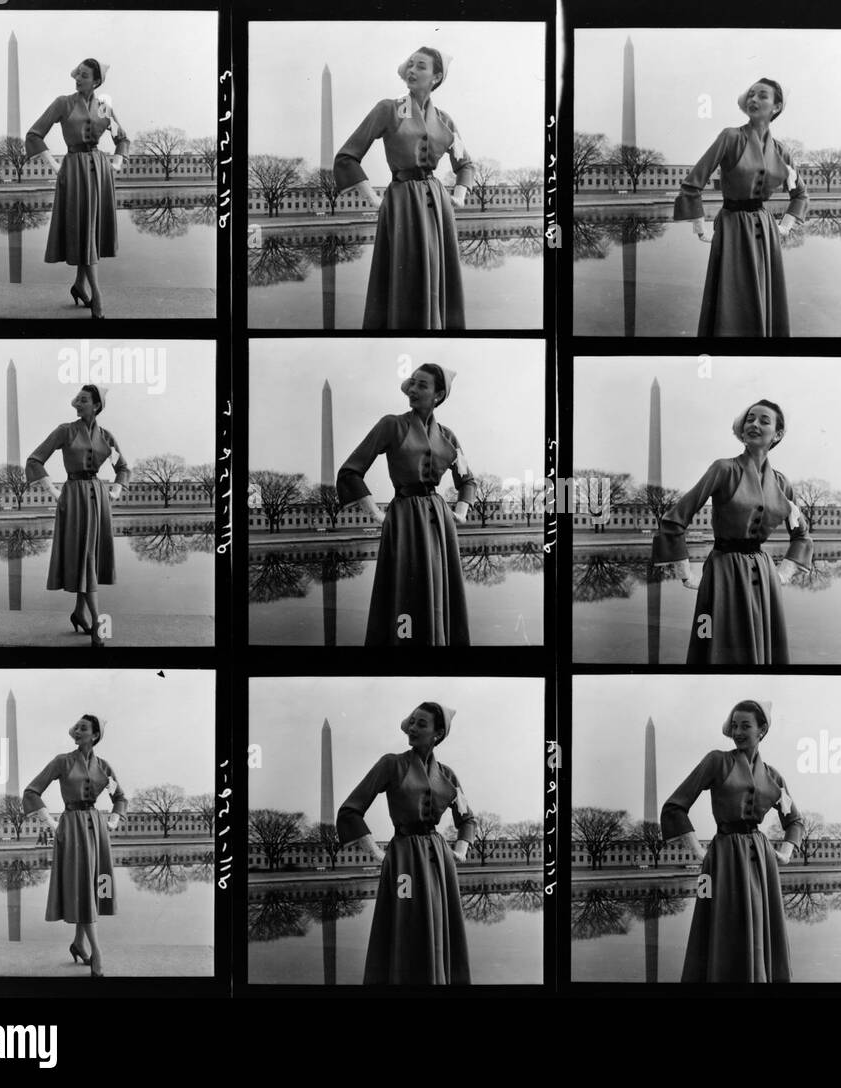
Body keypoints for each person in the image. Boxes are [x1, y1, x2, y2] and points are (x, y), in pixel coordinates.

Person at [652, 399, 812, 663]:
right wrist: (685, 571)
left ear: (778, 434)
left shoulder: (782, 482)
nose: (754, 424)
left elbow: (802, 535)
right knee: (717, 646)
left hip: (764, 575)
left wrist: (783, 573)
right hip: (722, 572)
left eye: (764, 420)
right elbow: (674, 520)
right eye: (750, 418)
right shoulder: (723, 469)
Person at [661, 700, 803, 982]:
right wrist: (699, 851)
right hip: (720, 858)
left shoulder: (774, 777)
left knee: (759, 925)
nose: (738, 731)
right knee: (711, 917)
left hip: (762, 861)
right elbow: (675, 806)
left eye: (745, 726)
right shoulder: (717, 761)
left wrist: (785, 854)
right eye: (734, 725)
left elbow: (795, 821)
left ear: (762, 730)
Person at [333, 47, 475, 329]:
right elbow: (347, 156)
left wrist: (458, 195)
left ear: (436, 77)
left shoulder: (445, 120)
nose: (412, 71)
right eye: (410, 65)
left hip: (437, 205)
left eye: (420, 66)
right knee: (405, 274)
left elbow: (466, 164)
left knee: (435, 274)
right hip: (402, 202)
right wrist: (372, 197)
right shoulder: (389, 109)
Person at [335, 703, 475, 984]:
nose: (412, 728)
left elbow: (468, 819)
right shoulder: (391, 764)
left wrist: (460, 850)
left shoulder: (448, 775)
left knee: (436, 924)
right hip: (404, 860)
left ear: (437, 734)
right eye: (412, 722)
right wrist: (375, 852)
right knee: (405, 917)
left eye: (421, 724)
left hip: (439, 861)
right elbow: (350, 810)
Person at [336, 365, 474, 645]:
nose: (413, 389)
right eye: (412, 383)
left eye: (422, 385)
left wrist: (460, 512)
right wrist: (375, 513)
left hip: (439, 522)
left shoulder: (448, 436)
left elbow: (468, 480)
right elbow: (350, 471)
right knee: (404, 592)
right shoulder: (391, 425)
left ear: (438, 395)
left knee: (436, 590)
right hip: (403, 518)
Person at [673, 78, 808, 336]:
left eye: (762, 96)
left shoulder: (781, 150)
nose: (754, 100)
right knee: (732, 302)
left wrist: (785, 226)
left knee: (764, 296)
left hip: (767, 234)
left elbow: (801, 195)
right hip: (732, 228)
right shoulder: (730, 137)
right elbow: (692, 184)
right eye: (751, 94)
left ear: (776, 107)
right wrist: (700, 227)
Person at [23, 714, 126, 979]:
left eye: (84, 728)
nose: (78, 730)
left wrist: (113, 820)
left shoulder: (104, 767)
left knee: (92, 887)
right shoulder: (62, 761)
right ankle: (97, 954)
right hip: (71, 828)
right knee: (82, 886)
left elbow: (120, 797)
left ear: (95, 735)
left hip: (97, 829)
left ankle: (80, 944)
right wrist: (50, 821)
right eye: (77, 726)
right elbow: (32, 791)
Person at [26, 384, 129, 648]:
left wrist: (116, 491)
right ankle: (97, 623)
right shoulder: (65, 430)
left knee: (89, 558)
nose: (78, 403)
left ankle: (79, 613)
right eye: (78, 399)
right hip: (73, 498)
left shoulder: (107, 437)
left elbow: (123, 468)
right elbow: (35, 460)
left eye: (84, 400)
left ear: (96, 406)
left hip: (98, 498)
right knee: (85, 557)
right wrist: (53, 490)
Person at [26, 59, 130, 319]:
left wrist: (116, 164)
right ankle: (97, 292)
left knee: (90, 230)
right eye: (77, 74)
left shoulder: (104, 106)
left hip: (100, 170)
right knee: (84, 229)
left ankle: (79, 285)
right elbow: (34, 134)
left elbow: (122, 138)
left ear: (96, 81)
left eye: (84, 76)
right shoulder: (64, 103)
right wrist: (54, 165)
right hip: (73, 170)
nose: (78, 79)